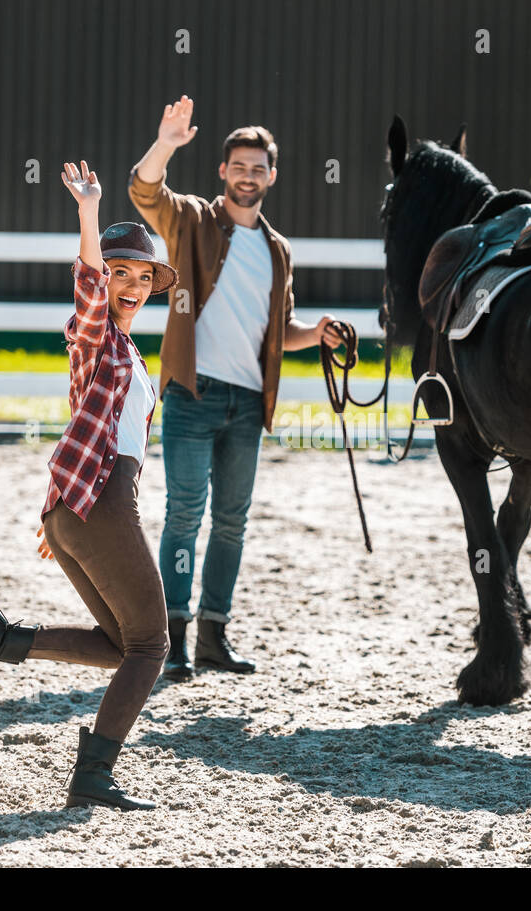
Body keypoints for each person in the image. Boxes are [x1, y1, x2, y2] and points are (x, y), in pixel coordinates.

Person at [0, 161, 175, 812]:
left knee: (123, 642)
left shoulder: (127, 352)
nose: (131, 285)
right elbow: (88, 285)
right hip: (99, 504)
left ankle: (1, 636)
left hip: (78, 508)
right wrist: (90, 213)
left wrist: (73, 508)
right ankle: (93, 777)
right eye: (122, 273)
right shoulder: (95, 337)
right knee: (153, 643)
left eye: (143, 277)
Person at [129, 95, 342, 681]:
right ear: (223, 171)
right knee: (183, 515)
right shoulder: (194, 219)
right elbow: (146, 192)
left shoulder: (278, 249)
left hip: (249, 404)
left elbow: (282, 330)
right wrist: (167, 142)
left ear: (271, 176)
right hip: (193, 395)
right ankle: (169, 640)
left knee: (231, 520)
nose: (248, 177)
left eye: (259, 168)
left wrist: (315, 334)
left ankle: (213, 638)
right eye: (238, 167)